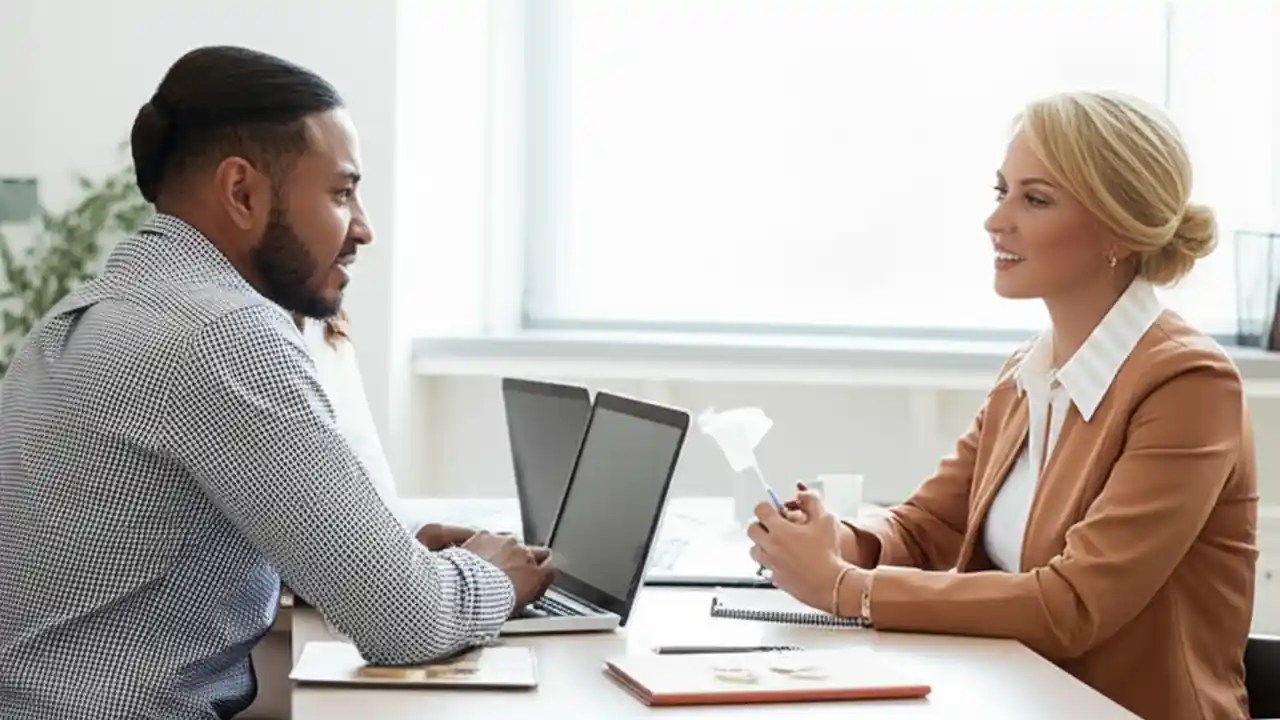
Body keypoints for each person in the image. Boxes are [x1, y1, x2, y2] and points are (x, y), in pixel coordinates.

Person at [0, 46, 553, 719]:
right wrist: (495, 575)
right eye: (342, 192)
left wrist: (384, 550)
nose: (363, 228)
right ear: (242, 193)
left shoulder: (81, 315)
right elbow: (409, 626)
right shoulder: (222, 334)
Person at [747, 91, 1257, 720]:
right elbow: (925, 526)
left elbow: (1073, 605)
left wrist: (845, 589)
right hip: (1010, 698)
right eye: (1001, 192)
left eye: (1035, 199)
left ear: (1118, 231)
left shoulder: (1190, 385)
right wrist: (839, 542)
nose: (998, 221)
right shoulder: (1028, 371)